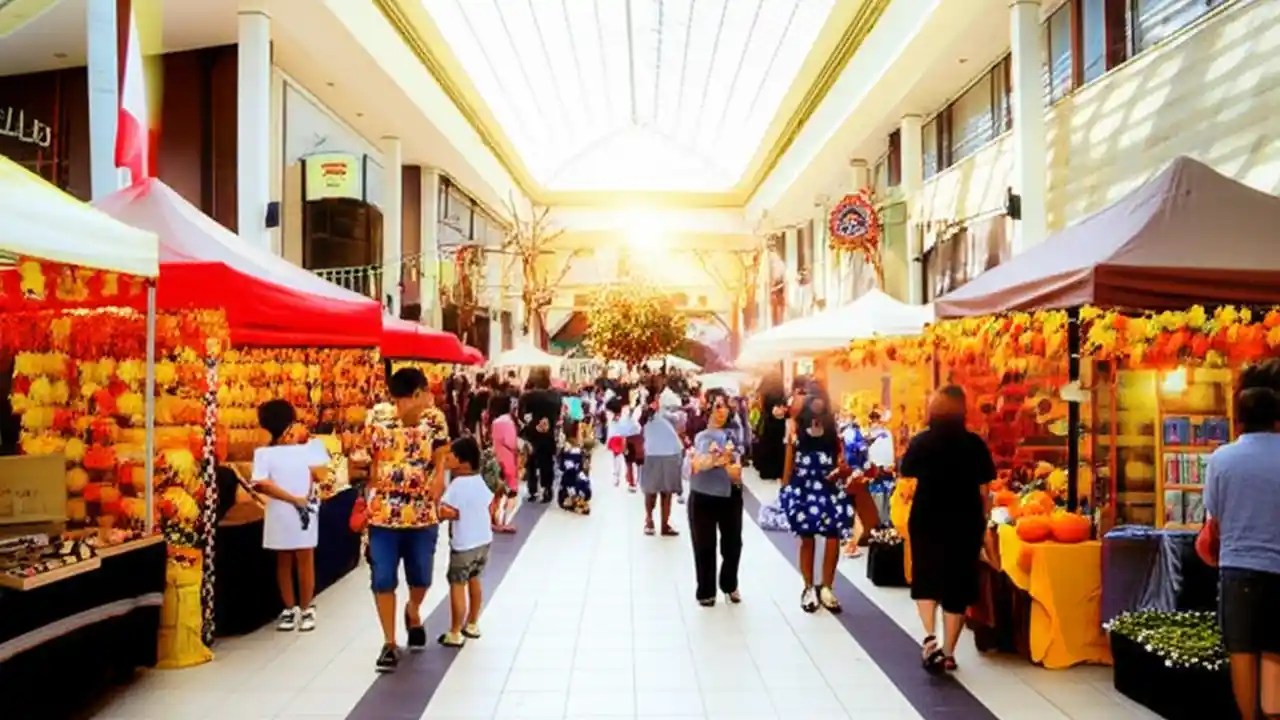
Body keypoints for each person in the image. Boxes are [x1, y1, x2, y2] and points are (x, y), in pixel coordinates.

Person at [899, 385, 994, 674]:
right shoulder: (974, 444)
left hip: (927, 515)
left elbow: (906, 472)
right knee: (957, 585)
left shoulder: (921, 442)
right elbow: (985, 488)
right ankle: (949, 652)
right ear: (963, 410)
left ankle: (929, 640)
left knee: (926, 575)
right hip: (964, 519)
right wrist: (985, 519)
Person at [1202, 385, 1280, 720]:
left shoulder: (1222, 458)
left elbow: (1214, 519)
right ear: (1277, 420)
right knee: (1275, 649)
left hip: (1237, 568)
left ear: (1239, 420)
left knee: (1242, 649)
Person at [366, 367, 449, 672]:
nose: (427, 398)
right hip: (384, 514)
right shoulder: (377, 417)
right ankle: (389, 642)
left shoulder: (435, 418)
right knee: (383, 577)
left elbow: (442, 450)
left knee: (422, 576)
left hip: (422, 513)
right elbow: (370, 456)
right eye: (424, 393)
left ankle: (413, 609)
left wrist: (440, 476)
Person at [251, 400, 330, 632]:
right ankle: (290, 607)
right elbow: (261, 484)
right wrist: (292, 499)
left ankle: (306, 607)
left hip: (302, 509)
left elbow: (322, 474)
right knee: (284, 558)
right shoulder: (264, 453)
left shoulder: (310, 448)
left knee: (303, 557)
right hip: (283, 509)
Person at [779, 390, 854, 613]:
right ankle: (809, 586)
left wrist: (840, 471)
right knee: (807, 537)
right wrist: (785, 487)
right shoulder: (796, 429)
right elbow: (789, 457)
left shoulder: (833, 431)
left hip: (829, 486)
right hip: (803, 486)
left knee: (833, 536)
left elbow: (842, 459)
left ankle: (827, 587)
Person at [687, 388, 744, 607]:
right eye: (717, 406)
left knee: (733, 544)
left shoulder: (734, 433)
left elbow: (736, 470)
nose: (722, 412)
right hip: (702, 494)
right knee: (703, 545)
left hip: (729, 495)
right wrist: (708, 461)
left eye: (725, 407)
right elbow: (691, 465)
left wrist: (727, 463)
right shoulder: (695, 431)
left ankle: (729, 584)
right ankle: (705, 590)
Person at [435, 436, 493, 648]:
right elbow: (489, 505)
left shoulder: (458, 485)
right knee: (475, 580)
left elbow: (442, 510)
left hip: (464, 545)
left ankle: (455, 631)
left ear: (462, 461)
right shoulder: (479, 481)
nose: (447, 458)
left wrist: (440, 468)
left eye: (451, 456)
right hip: (483, 541)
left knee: (457, 585)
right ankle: (473, 623)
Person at [641, 385, 684, 536]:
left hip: (670, 453)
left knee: (667, 491)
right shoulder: (645, 413)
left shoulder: (670, 412)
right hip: (653, 453)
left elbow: (680, 425)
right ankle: (649, 520)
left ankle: (664, 524)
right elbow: (640, 421)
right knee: (651, 491)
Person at [519, 367, 561, 503]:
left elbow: (521, 415)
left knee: (531, 463)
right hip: (548, 434)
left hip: (531, 434)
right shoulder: (555, 396)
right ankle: (547, 489)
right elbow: (558, 414)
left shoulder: (527, 396)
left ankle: (533, 490)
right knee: (547, 462)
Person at [487, 394, 520, 533]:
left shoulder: (495, 421)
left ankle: (493, 519)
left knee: (496, 492)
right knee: (510, 491)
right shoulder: (507, 421)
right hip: (509, 459)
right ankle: (503, 521)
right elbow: (512, 443)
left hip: (497, 456)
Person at [557, 421, 592, 514]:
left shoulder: (566, 454)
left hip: (571, 482)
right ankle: (576, 501)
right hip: (577, 482)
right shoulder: (580, 453)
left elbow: (562, 467)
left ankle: (574, 501)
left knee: (565, 497)